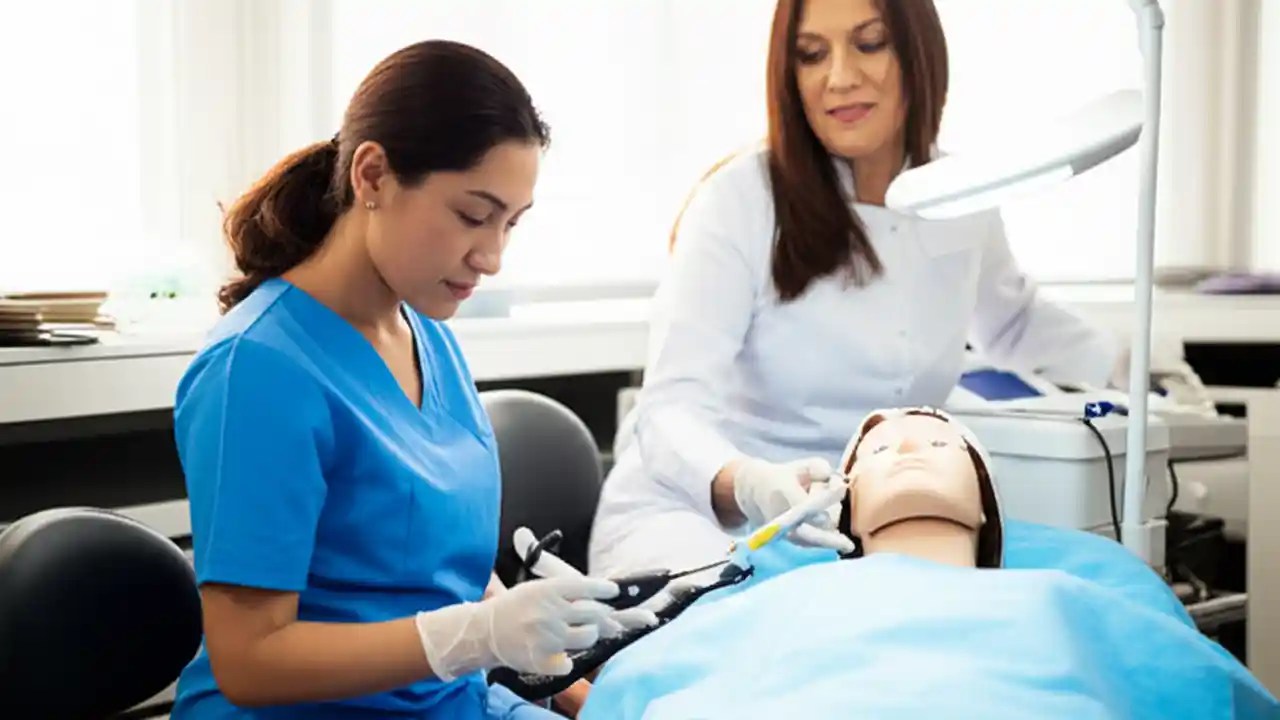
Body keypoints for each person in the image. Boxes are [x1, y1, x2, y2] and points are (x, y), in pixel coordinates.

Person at [170, 40, 653, 720]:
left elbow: (443, 572)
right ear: (372, 176)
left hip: (453, 702)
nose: (491, 257)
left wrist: (586, 699)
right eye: (472, 215)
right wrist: (475, 637)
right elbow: (250, 661)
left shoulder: (430, 339)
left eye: (510, 224)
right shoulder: (258, 369)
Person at [588, 0, 1125, 579]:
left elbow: (1015, 321)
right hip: (703, 516)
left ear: (919, 55)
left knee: (1084, 583)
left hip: (863, 517)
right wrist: (747, 482)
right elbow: (671, 408)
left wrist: (1134, 368)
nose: (839, 77)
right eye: (811, 54)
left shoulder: (957, 194)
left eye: (870, 43)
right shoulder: (740, 201)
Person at [577, 408, 1279, 719]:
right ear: (840, 515)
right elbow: (637, 690)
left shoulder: (1073, 597)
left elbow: (1206, 691)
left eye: (939, 447)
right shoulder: (760, 604)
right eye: (877, 454)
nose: (907, 450)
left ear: (984, 507)